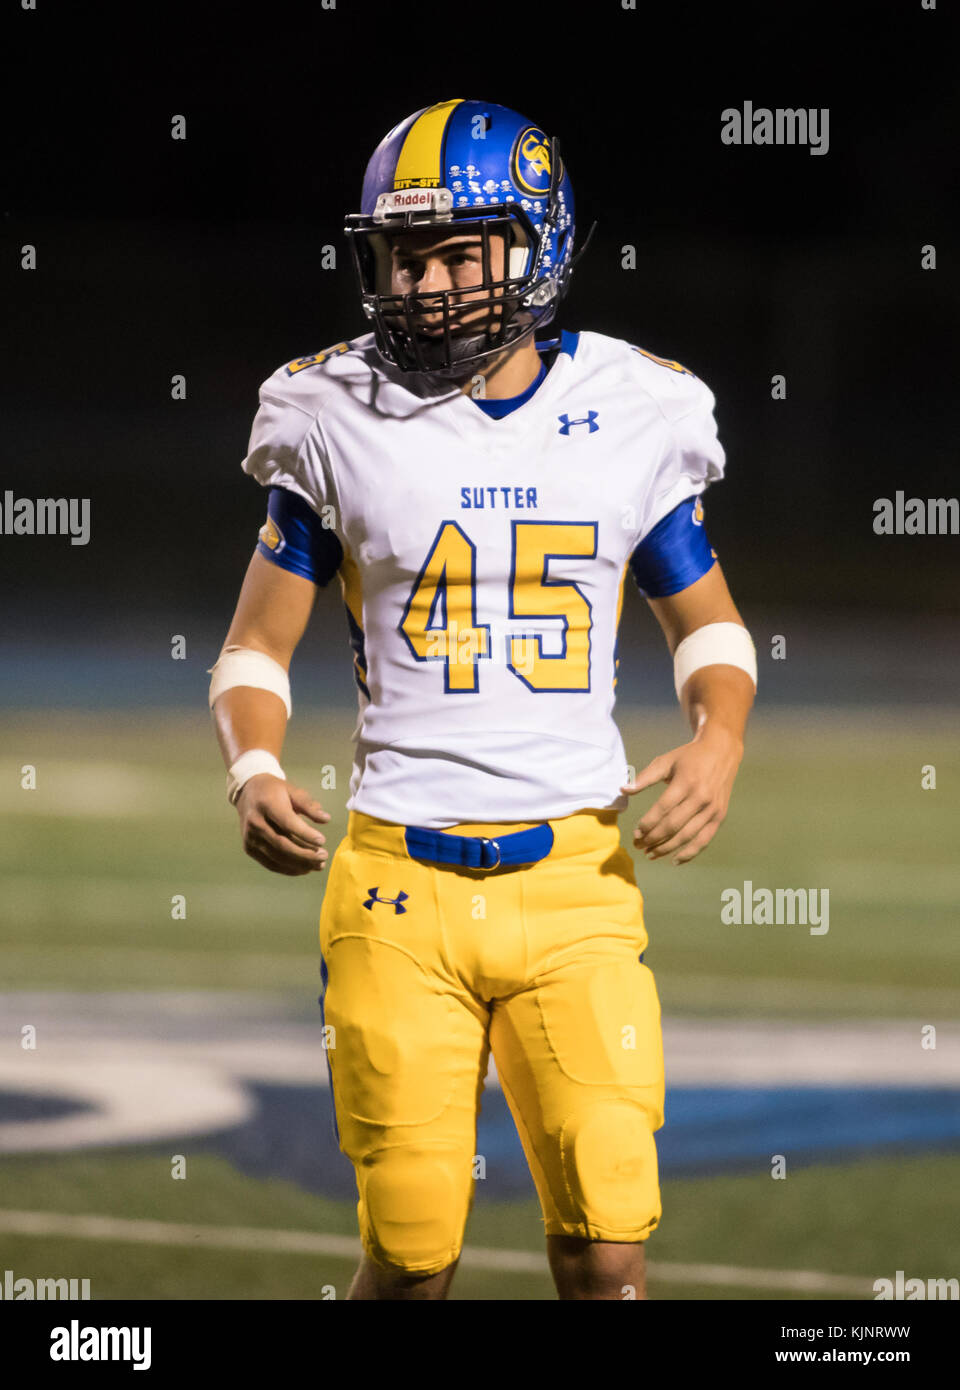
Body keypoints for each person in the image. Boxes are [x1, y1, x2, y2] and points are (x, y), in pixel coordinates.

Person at [209, 98, 756, 1301]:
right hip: (396, 881)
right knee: (408, 1256)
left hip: (576, 880)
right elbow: (255, 643)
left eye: (461, 250)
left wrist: (718, 736)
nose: (428, 284)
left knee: (607, 1247)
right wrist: (252, 767)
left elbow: (709, 623)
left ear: (539, 245)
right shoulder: (331, 410)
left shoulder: (631, 406)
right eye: (406, 257)